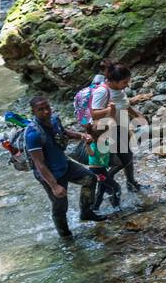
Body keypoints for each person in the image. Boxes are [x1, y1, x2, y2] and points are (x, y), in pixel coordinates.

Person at [24, 97, 102, 239]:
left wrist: (81, 135)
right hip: (50, 174)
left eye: (47, 107)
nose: (46, 111)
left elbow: (63, 132)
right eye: (40, 109)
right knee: (60, 205)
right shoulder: (33, 134)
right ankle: (65, 236)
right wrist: (54, 186)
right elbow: (39, 163)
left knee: (89, 178)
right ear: (33, 111)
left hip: (64, 164)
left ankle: (86, 212)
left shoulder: (54, 120)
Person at [89, 62, 147, 193]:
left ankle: (131, 183)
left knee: (128, 156)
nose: (127, 85)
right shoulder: (102, 92)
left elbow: (124, 104)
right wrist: (109, 109)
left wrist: (137, 115)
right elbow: (93, 113)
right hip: (109, 130)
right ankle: (105, 180)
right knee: (124, 159)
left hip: (121, 126)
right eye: (124, 82)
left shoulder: (119, 90)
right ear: (113, 81)